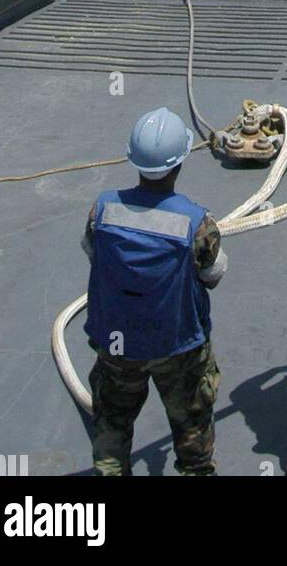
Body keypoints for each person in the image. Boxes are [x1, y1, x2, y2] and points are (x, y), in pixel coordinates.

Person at [82, 107, 227, 476]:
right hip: (177, 344)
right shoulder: (197, 222)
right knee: (192, 424)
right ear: (180, 163)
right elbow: (213, 274)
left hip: (117, 341)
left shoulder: (102, 209)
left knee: (113, 418)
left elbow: (92, 252)